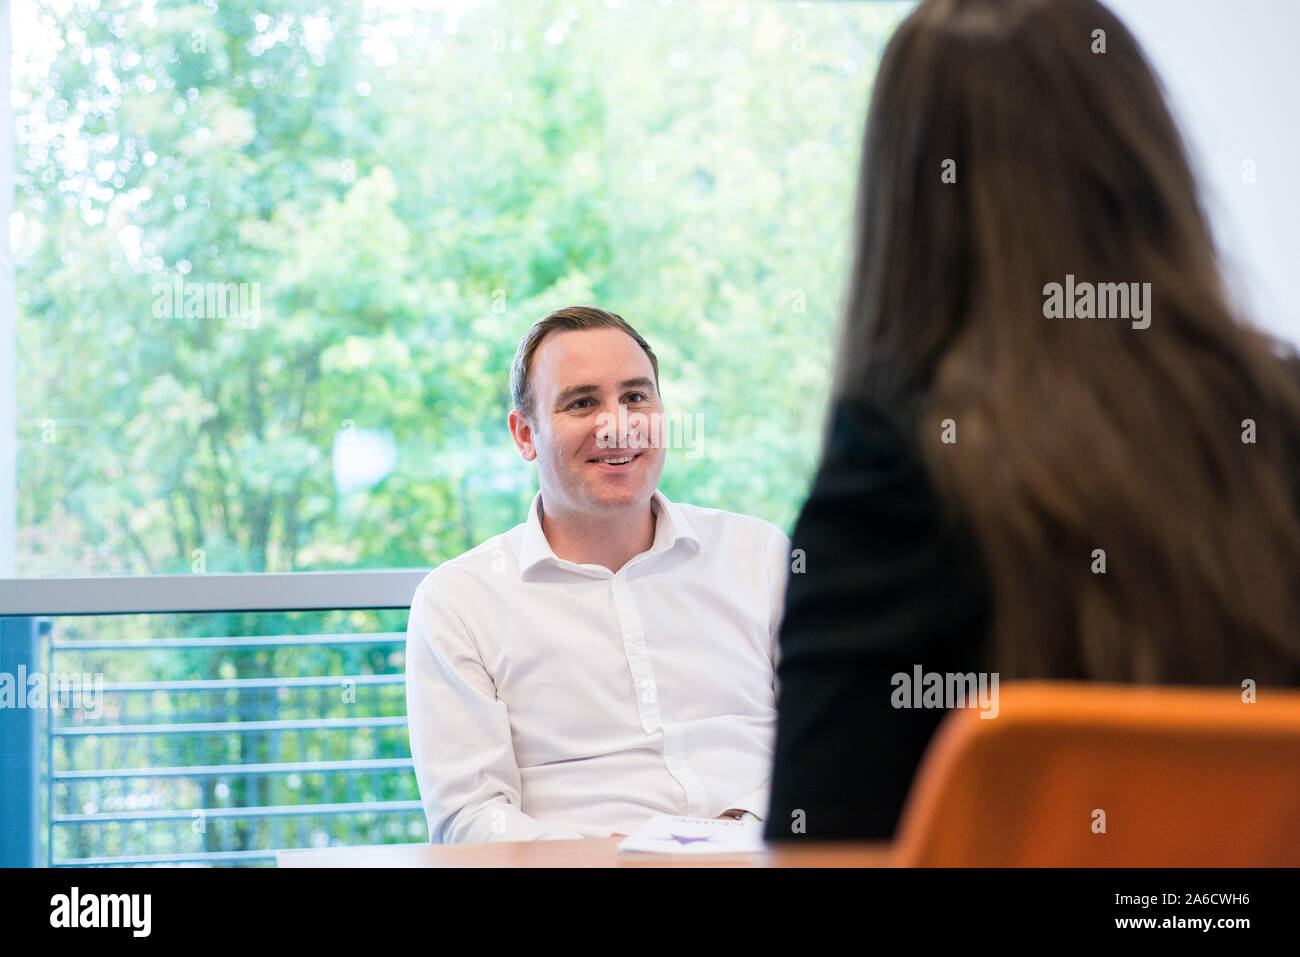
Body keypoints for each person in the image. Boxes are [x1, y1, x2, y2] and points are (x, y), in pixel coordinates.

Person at [765, 0, 1300, 843]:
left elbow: (826, 851)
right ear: (1146, 161)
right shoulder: (1284, 424)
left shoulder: (894, 484)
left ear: (904, 204)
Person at [406, 306, 790, 842]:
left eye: (636, 396)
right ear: (525, 435)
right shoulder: (458, 602)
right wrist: (605, 857)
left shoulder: (761, 555)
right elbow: (470, 819)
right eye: (582, 402)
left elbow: (829, 742)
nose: (617, 425)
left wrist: (733, 832)